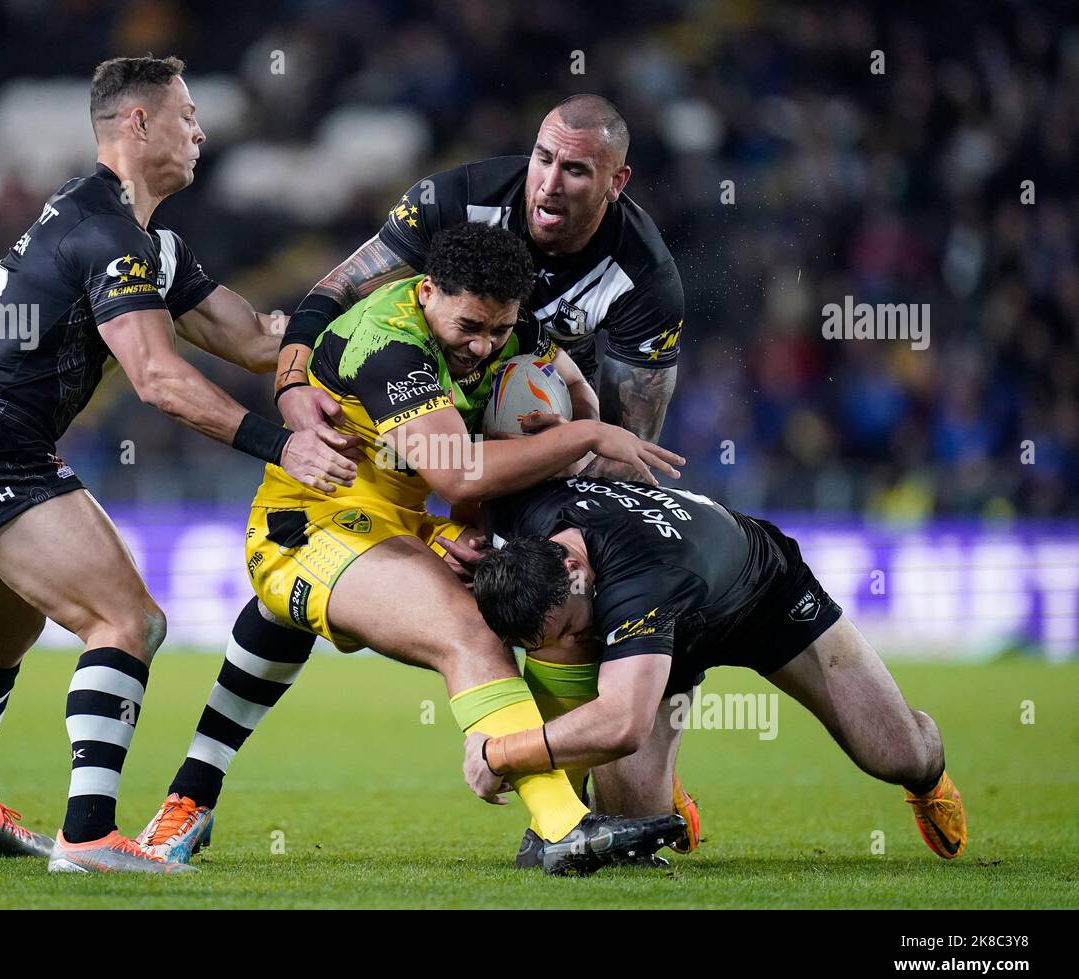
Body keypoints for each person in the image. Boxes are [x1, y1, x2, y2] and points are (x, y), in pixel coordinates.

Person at [0, 55, 357, 875]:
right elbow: (159, 380)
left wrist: (368, 331)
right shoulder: (106, 234)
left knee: (3, 633)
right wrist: (284, 444)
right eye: (187, 113)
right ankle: (90, 834)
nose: (202, 130)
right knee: (129, 623)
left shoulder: (139, 240)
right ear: (138, 125)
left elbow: (252, 339)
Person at [138, 222, 687, 875]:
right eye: (468, 328)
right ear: (426, 293)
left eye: (498, 330)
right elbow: (457, 469)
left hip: (400, 523)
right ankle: (565, 826)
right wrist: (582, 437)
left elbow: (558, 376)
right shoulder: (390, 346)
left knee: (544, 608)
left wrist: (473, 514)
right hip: (311, 522)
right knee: (468, 633)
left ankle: (191, 796)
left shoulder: (506, 328)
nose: (482, 347)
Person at [461, 475, 968, 868]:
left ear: (575, 569)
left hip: (765, 599)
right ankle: (664, 775)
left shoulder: (641, 579)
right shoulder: (530, 522)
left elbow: (620, 725)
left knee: (893, 753)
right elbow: (481, 476)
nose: (575, 645)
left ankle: (928, 780)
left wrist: (501, 753)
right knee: (633, 834)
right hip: (658, 629)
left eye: (571, 628)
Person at [274, 94, 684, 476]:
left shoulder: (646, 280)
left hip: (539, 399)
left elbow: (629, 446)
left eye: (575, 170)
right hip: (418, 377)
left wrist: (566, 465)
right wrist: (290, 386)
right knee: (268, 333)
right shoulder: (453, 199)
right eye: (543, 159)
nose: (549, 185)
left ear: (616, 181)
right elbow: (337, 291)